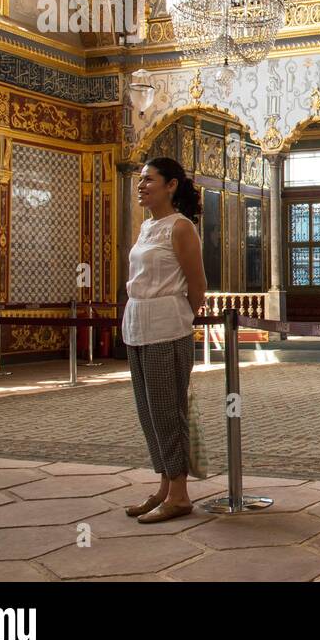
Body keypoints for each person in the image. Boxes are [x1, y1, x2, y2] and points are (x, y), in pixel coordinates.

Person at [121, 157, 207, 523]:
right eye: (139, 180)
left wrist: (180, 317)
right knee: (149, 412)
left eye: (149, 180)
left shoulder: (181, 227)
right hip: (137, 325)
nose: (141, 185)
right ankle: (164, 486)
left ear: (171, 185)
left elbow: (198, 287)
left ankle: (180, 494)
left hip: (166, 327)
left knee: (169, 412)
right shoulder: (146, 227)